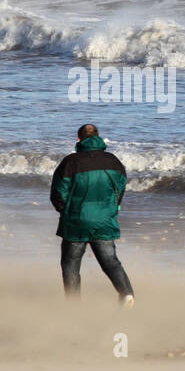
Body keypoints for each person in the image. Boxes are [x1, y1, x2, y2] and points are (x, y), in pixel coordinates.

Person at [51, 124, 135, 307]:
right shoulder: (114, 161)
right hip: (105, 220)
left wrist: (66, 212)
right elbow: (119, 191)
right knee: (110, 262)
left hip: (76, 222)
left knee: (70, 264)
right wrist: (111, 211)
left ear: (79, 140)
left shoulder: (70, 162)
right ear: (99, 138)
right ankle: (127, 294)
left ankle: (74, 305)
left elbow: (57, 194)